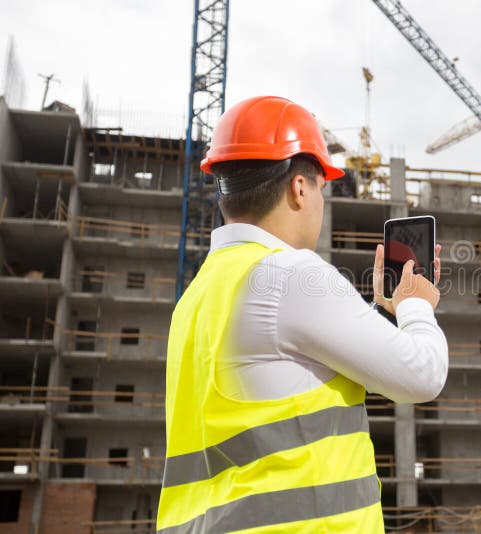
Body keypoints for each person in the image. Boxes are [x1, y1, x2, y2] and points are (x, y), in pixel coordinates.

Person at [156, 96, 448, 533]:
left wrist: (380, 315)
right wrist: (416, 304)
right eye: (321, 188)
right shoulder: (290, 274)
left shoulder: (198, 296)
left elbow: (285, 377)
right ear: (299, 187)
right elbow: (423, 376)